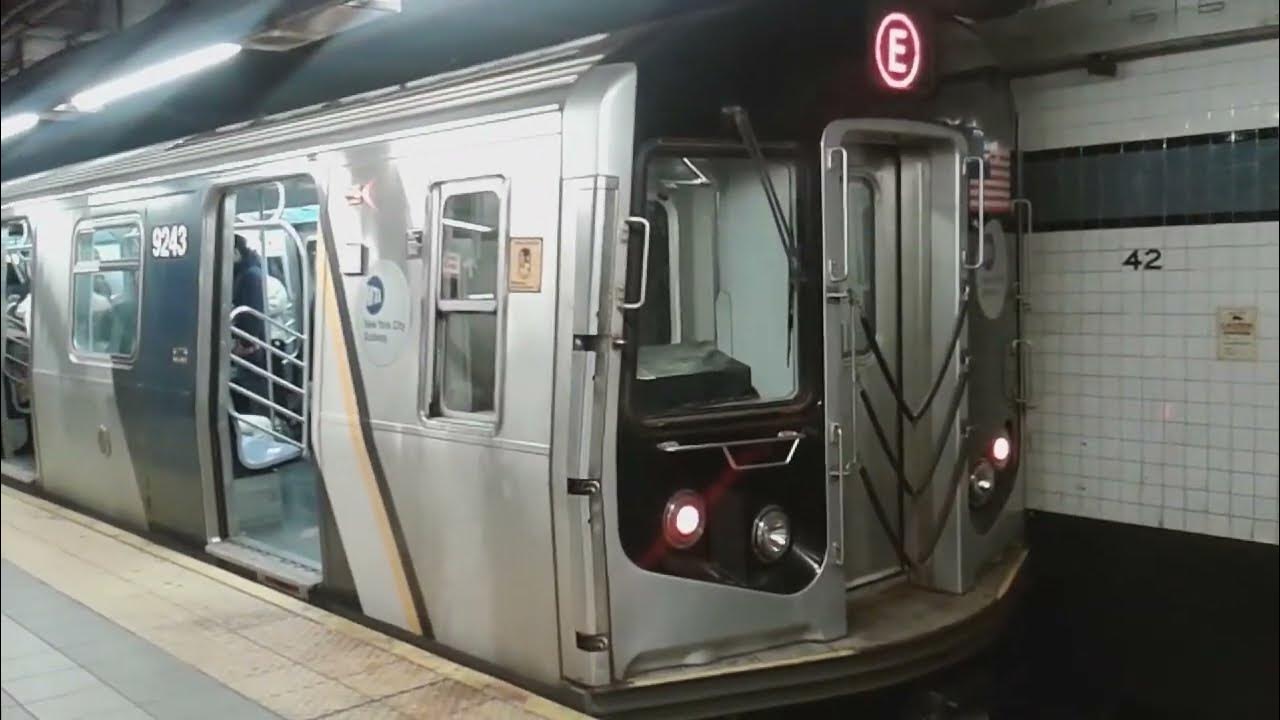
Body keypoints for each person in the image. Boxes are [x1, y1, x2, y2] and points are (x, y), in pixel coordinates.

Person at [231, 234, 270, 415]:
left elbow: (251, 313)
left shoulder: (250, 275)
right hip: (250, 343)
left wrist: (245, 344)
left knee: (256, 390)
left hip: (251, 347)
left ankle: (262, 426)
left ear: (236, 251)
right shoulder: (248, 271)